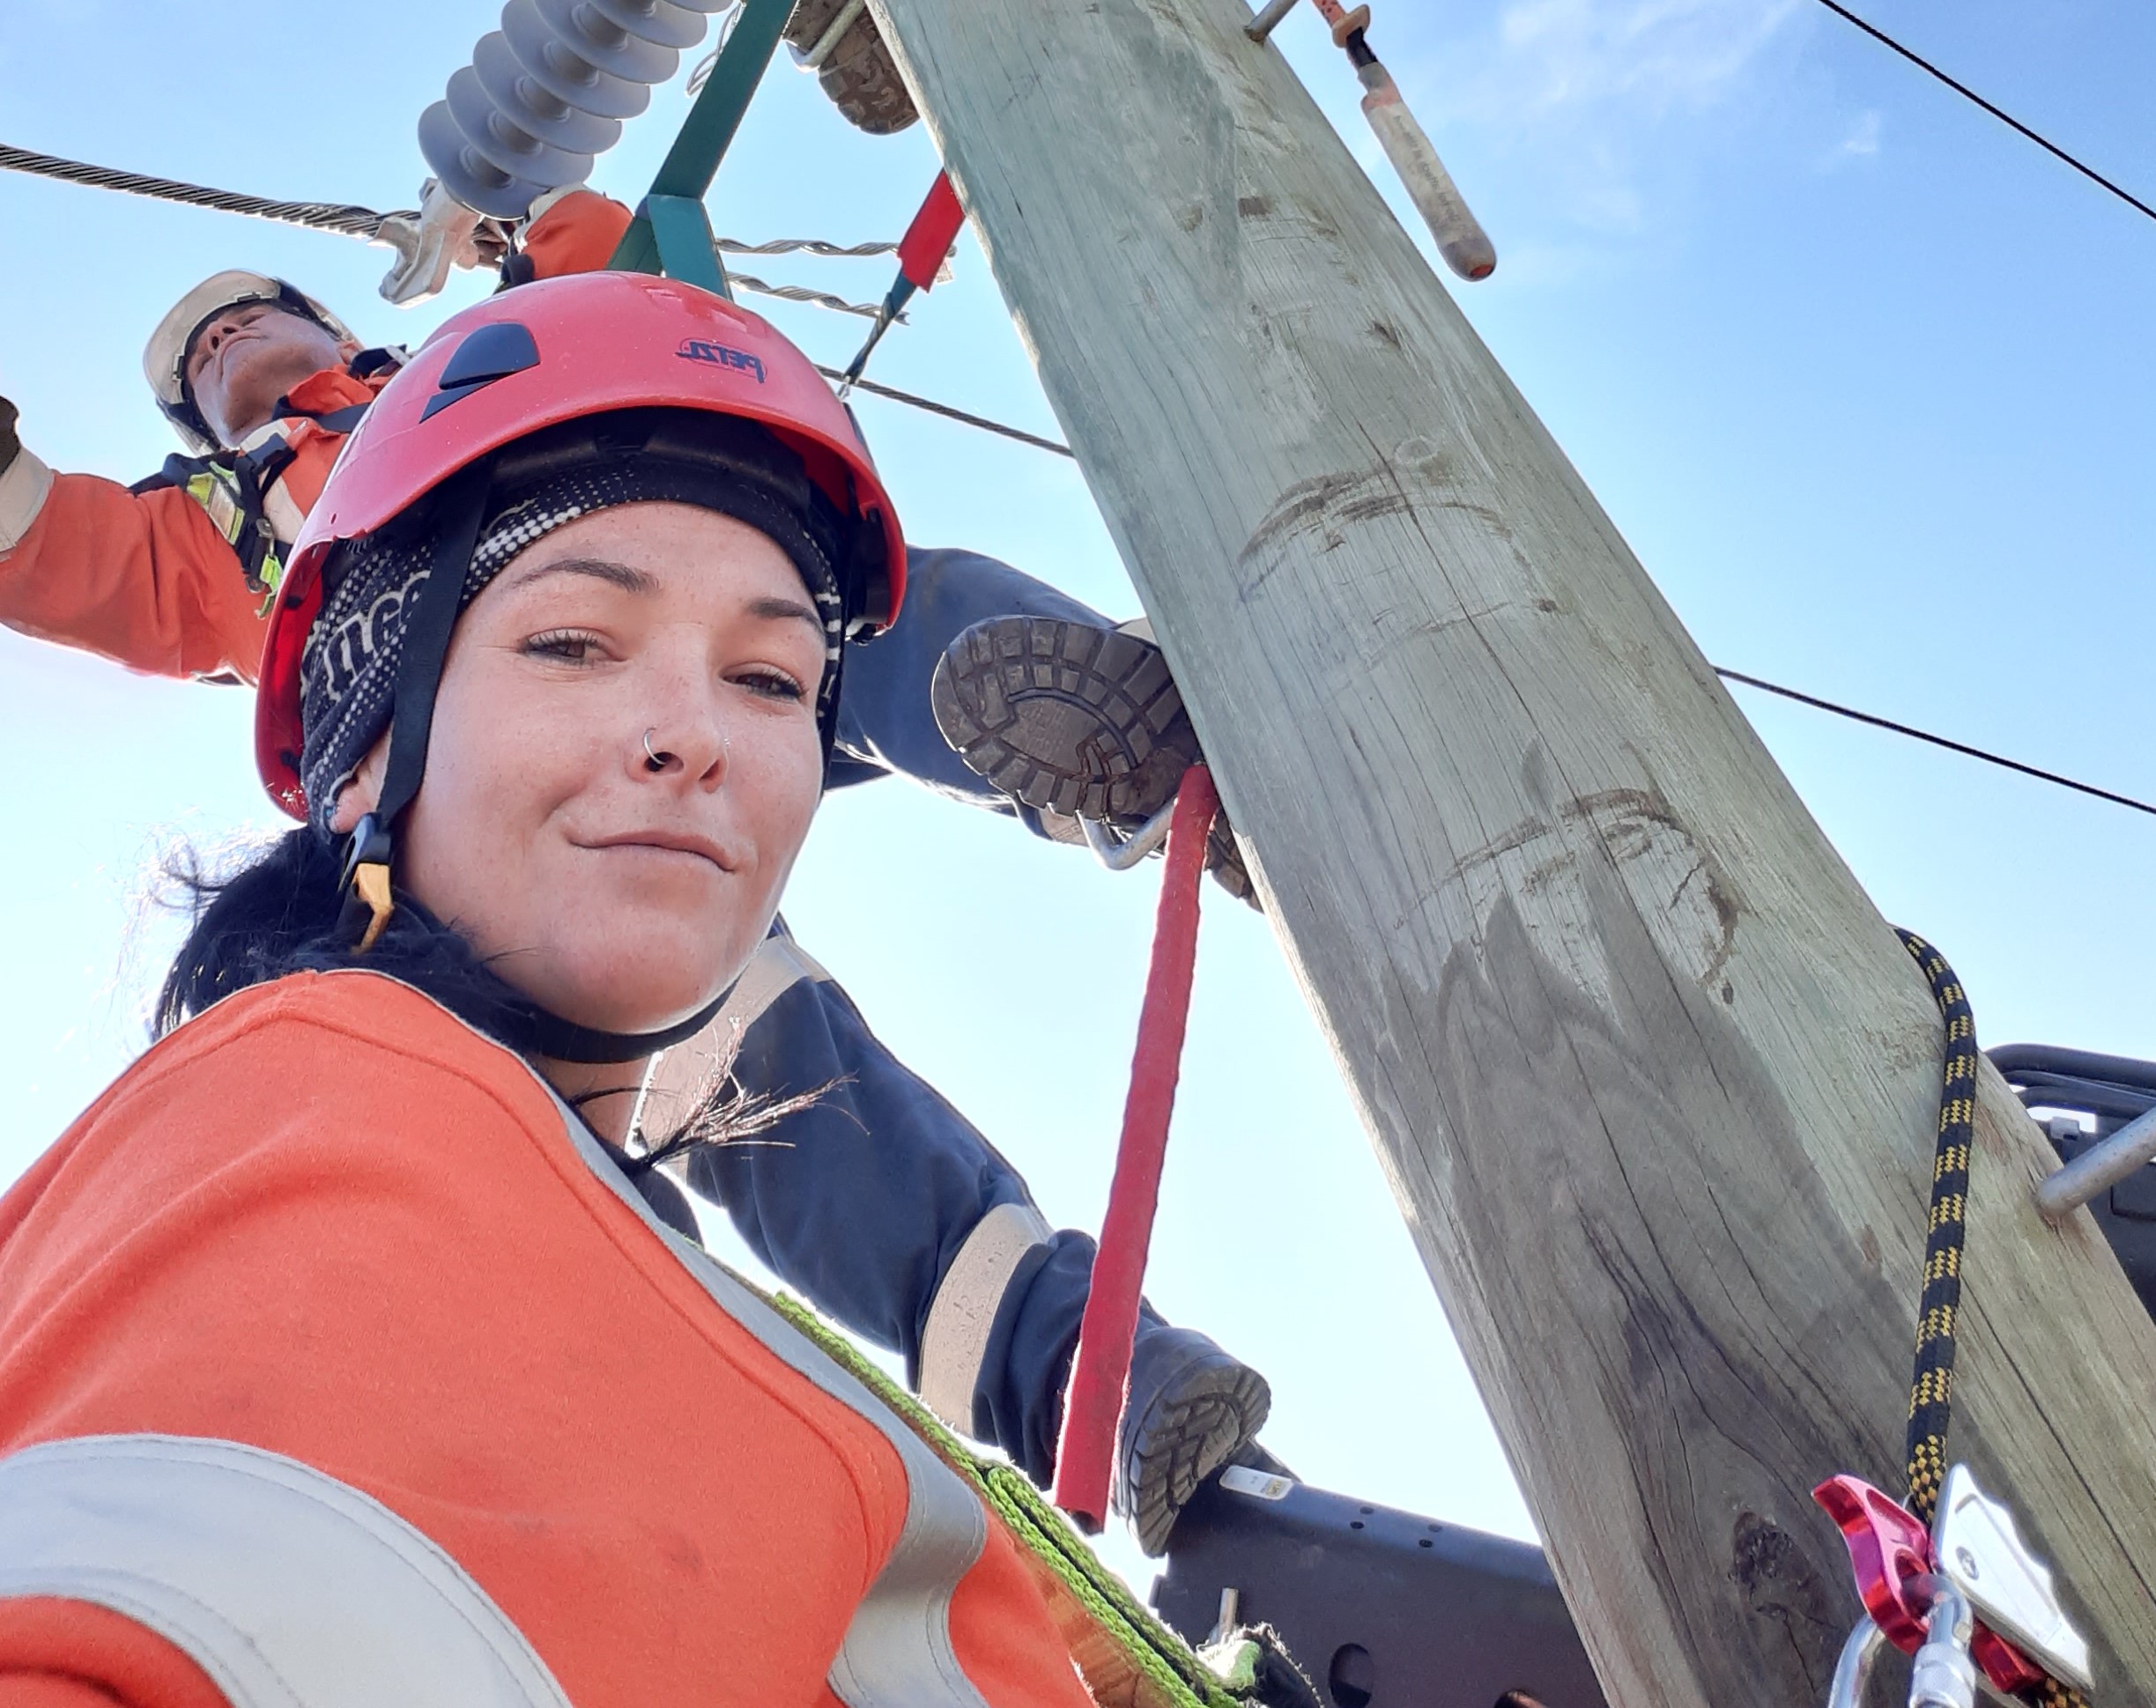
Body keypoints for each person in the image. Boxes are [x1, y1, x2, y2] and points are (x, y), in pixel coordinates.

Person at [0, 270, 1280, 1706]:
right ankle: (1094, 1386)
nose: (234, 338)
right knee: (807, 1124)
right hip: (516, 847)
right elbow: (55, 550)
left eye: (252, 313)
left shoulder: (474, 352)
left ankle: (1096, 747)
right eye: (203, 350)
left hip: (586, 823)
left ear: (327, 321)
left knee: (836, 622)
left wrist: (528, 228)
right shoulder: (209, 532)